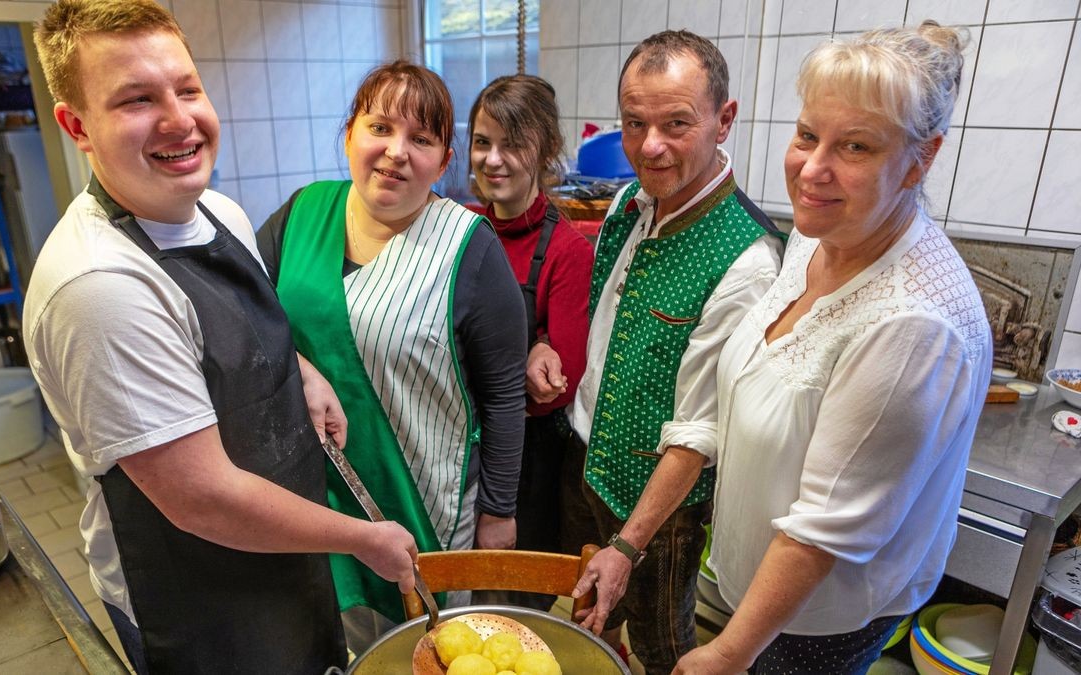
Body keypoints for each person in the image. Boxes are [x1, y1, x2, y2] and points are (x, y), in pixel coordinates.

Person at [25, 2, 417, 671]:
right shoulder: (98, 286)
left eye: (187, 88)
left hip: (278, 546)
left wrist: (302, 370)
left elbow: (226, 337)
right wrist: (362, 538)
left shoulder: (218, 210)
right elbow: (200, 498)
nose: (179, 119)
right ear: (76, 125)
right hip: (195, 591)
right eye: (137, 99)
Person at [669, 22, 990, 674]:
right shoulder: (819, 234)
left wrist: (730, 651)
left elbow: (824, 528)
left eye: (855, 146)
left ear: (921, 159)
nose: (813, 169)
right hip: (753, 585)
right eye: (808, 135)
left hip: (818, 619)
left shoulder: (912, 324)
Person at [256, 61, 527, 645]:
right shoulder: (301, 215)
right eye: (380, 128)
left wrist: (499, 512)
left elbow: (505, 394)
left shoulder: (469, 249)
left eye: (421, 139)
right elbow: (247, 320)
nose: (396, 152)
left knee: (428, 646)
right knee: (334, 641)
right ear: (350, 133)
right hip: (306, 496)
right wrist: (300, 369)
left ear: (444, 162)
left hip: (424, 499)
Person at [557, 30, 784, 674]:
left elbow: (701, 429)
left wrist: (629, 546)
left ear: (724, 120)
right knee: (591, 623)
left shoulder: (747, 260)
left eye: (676, 124)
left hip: (659, 509)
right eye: (634, 123)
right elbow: (607, 324)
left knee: (665, 650)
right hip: (588, 458)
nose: (649, 146)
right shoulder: (631, 202)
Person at [465, 75, 595, 611]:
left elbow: (556, 389)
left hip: (527, 462)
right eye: (482, 142)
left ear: (544, 150)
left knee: (518, 598)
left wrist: (536, 353)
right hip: (459, 441)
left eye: (512, 144)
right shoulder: (463, 228)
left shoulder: (568, 250)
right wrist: (530, 346)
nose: (493, 160)